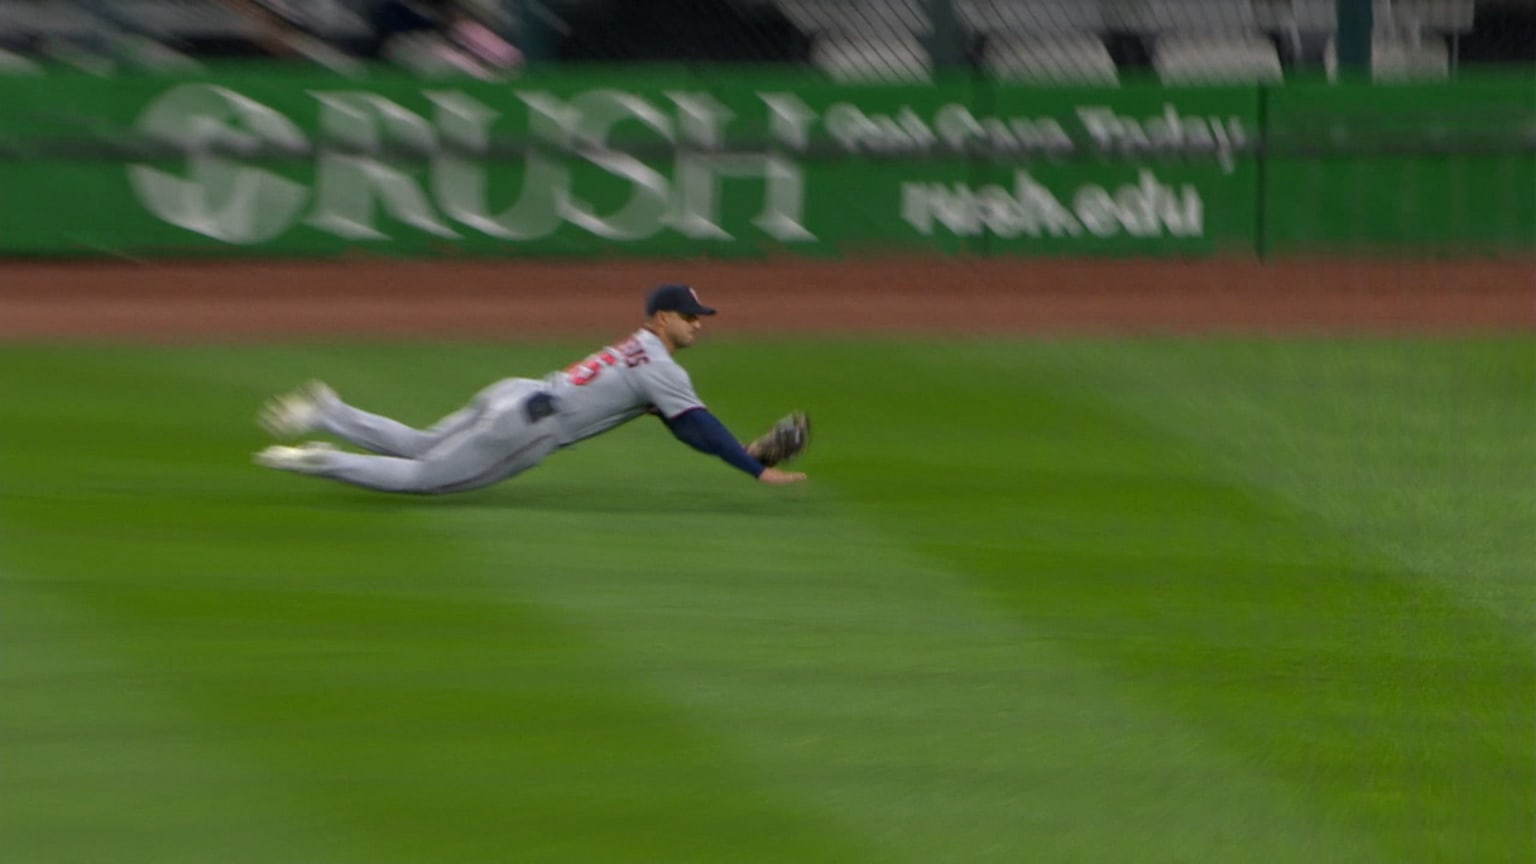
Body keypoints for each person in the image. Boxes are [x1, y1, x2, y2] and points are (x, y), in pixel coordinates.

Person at [254, 284, 808, 493]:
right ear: (661, 319)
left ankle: (329, 410)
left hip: (512, 393)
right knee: (424, 479)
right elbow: (696, 426)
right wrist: (756, 469)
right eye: (689, 317)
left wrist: (743, 451)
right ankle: (323, 460)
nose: (698, 324)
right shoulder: (662, 365)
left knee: (422, 444)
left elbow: (678, 425)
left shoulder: (639, 352)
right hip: (530, 425)